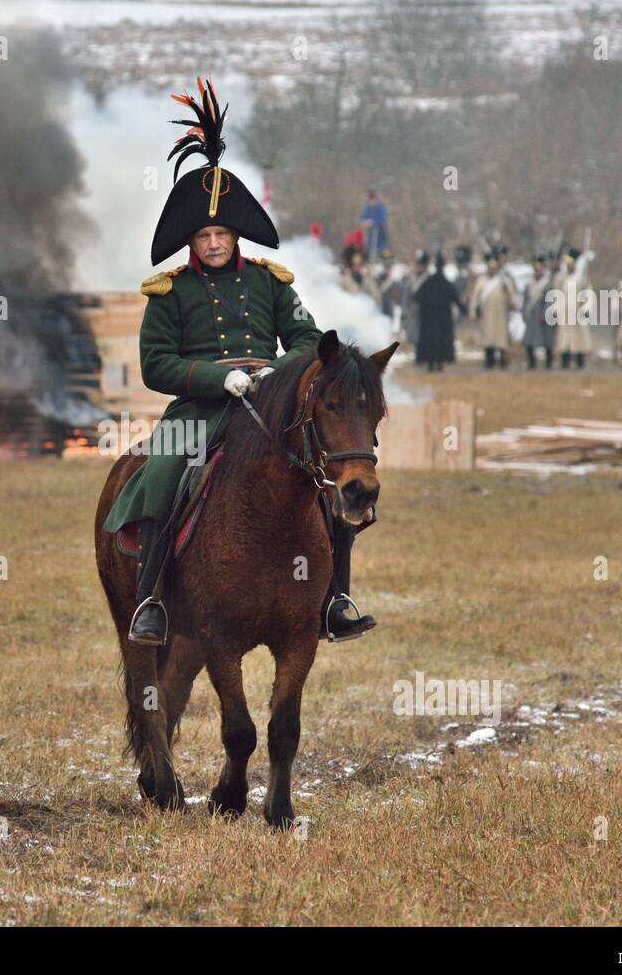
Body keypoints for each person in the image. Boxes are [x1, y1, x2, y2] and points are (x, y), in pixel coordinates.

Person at [101, 79, 377, 646]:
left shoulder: (269, 281)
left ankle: (336, 599)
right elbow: (156, 364)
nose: (214, 243)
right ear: (191, 240)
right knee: (159, 473)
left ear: (236, 234)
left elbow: (307, 339)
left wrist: (274, 374)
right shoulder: (168, 292)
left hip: (268, 409)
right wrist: (216, 377)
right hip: (197, 409)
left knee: (325, 483)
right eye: (203, 235)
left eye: (222, 232)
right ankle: (151, 598)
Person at [413, 251, 463, 372]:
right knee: (440, 343)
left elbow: (416, 297)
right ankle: (439, 364)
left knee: (431, 343)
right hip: (443, 321)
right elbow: (457, 300)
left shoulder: (427, 283)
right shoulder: (446, 283)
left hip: (429, 320)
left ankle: (431, 364)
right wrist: (466, 310)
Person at [471, 250, 516, 369]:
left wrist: (508, 295)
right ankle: (489, 361)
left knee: (501, 340)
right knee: (488, 339)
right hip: (487, 315)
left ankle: (503, 361)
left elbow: (513, 301)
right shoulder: (481, 281)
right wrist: (473, 313)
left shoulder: (504, 281)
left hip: (500, 316)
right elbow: (475, 298)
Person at [555, 246, 593, 368]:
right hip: (565, 314)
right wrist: (555, 309)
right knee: (564, 341)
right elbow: (557, 294)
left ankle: (580, 363)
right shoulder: (561, 278)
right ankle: (564, 363)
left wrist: (586, 308)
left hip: (577, 313)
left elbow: (588, 294)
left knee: (579, 340)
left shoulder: (582, 278)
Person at [521, 253, 555, 368]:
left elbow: (550, 300)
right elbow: (525, 301)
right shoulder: (529, 285)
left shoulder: (547, 285)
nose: (537, 272)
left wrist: (546, 314)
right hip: (532, 316)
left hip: (543, 316)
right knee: (529, 340)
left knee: (547, 341)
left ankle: (549, 363)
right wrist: (524, 313)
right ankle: (531, 363)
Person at [359, 189, 388, 257]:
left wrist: (373, 222)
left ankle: (384, 259)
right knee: (368, 245)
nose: (372, 201)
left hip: (380, 230)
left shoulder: (380, 207)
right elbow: (363, 216)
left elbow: (382, 218)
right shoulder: (368, 208)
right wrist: (365, 221)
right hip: (370, 230)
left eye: (373, 199)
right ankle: (368, 259)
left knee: (381, 246)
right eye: (370, 199)